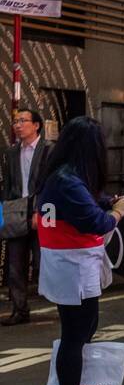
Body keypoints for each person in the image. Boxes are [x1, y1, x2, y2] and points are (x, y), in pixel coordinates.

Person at [33, 117, 124, 385]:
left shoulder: (60, 176)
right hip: (72, 265)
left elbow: (87, 202)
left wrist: (107, 203)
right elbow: (95, 221)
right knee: (76, 334)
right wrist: (117, 211)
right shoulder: (69, 181)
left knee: (81, 330)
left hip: (65, 263)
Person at [3, 106, 50, 325]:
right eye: (16, 122)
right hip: (16, 212)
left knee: (45, 261)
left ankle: (63, 303)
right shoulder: (11, 152)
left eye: (23, 121)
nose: (18, 125)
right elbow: (9, 186)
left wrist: (40, 211)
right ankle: (20, 309)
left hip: (40, 211)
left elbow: (50, 185)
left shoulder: (48, 150)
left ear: (36, 125)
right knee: (14, 263)